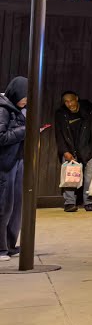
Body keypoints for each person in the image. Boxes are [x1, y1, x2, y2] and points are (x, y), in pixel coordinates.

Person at [54, 90, 92, 213]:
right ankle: (70, 203)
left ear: (76, 98)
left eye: (71, 100)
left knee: (89, 178)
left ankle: (89, 202)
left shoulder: (89, 110)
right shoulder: (61, 114)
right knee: (70, 178)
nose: (69, 104)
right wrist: (65, 151)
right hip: (70, 150)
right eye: (66, 102)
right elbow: (59, 135)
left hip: (89, 150)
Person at [0, 77, 27, 261]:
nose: (26, 100)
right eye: (25, 96)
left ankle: (10, 245)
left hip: (17, 161)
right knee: (4, 206)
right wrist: (26, 130)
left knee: (16, 206)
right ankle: (1, 248)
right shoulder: (3, 110)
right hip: (5, 164)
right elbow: (1, 137)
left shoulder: (18, 110)